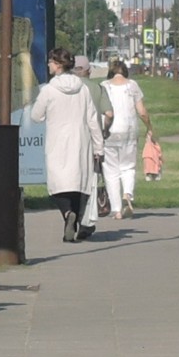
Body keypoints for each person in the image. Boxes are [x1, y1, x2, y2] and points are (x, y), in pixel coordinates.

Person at [31, 47, 105, 244]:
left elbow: (35, 116)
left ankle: (67, 213)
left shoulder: (48, 90)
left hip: (57, 140)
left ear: (57, 65)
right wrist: (99, 147)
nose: (48, 65)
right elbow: (92, 120)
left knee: (58, 183)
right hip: (81, 140)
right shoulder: (83, 89)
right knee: (78, 182)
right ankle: (75, 216)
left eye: (50, 62)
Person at [100, 58, 149, 219]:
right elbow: (141, 111)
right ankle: (127, 194)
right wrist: (150, 127)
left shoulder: (104, 86)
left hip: (109, 131)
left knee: (111, 171)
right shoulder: (132, 85)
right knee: (128, 166)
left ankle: (116, 210)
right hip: (129, 131)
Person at [72, 56, 111, 240]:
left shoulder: (65, 87)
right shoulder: (97, 88)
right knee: (89, 181)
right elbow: (109, 113)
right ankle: (86, 221)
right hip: (91, 139)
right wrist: (105, 130)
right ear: (89, 70)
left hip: (68, 140)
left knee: (71, 180)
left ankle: (70, 215)